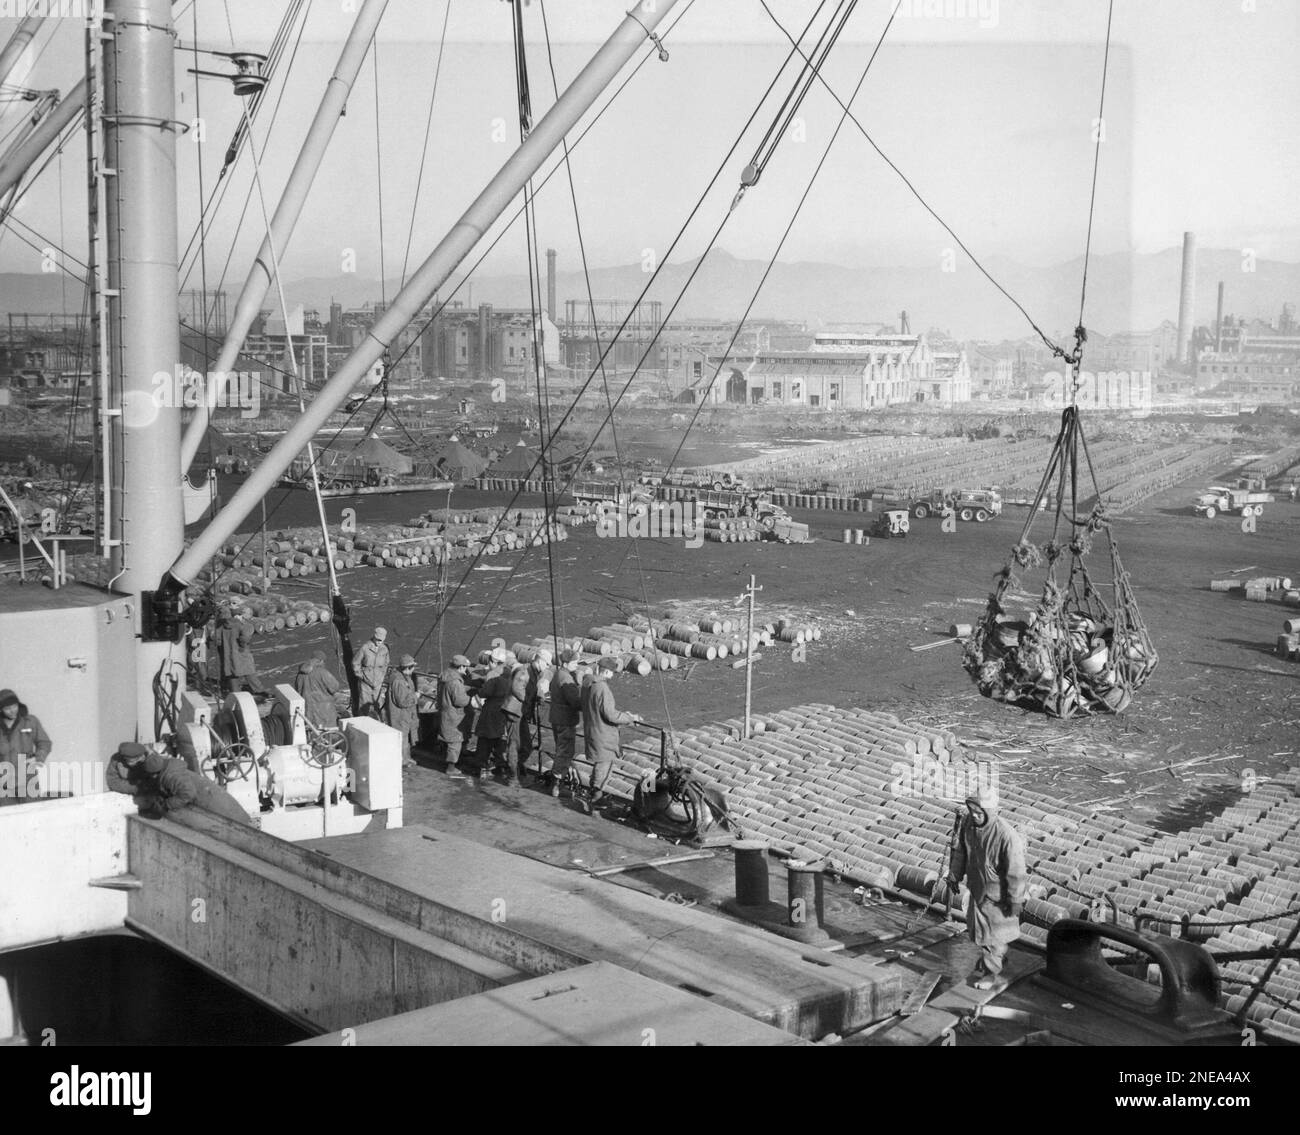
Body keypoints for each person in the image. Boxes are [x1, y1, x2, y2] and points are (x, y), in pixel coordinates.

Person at [946, 786, 1026, 992]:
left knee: (993, 936)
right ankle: (996, 959)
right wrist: (954, 875)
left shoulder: (1006, 836)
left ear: (989, 812)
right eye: (972, 810)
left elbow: (1016, 872)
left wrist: (1016, 899)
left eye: (979, 812)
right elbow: (961, 851)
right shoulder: (968, 824)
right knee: (981, 931)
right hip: (978, 888)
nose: (974, 815)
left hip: (998, 895)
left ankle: (991, 973)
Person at [119, 747, 253, 825]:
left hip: (218, 805)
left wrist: (167, 804)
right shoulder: (169, 766)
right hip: (214, 796)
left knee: (240, 825)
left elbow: (188, 794)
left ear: (156, 773)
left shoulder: (170, 777)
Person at [580, 657, 642, 813]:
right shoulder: (602, 688)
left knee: (599, 763)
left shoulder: (588, 684)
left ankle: (595, 794)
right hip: (603, 733)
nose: (613, 675)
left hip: (592, 729)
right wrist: (629, 718)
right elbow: (610, 715)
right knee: (605, 763)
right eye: (612, 672)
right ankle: (596, 796)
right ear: (606, 671)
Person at [0, 688, 51, 805]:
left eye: (14, 706)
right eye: (7, 708)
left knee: (33, 814)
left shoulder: (30, 721)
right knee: (8, 818)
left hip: (28, 779)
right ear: (1, 710)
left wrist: (38, 758)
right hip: (4, 782)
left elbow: (44, 742)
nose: (12, 711)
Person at [547, 650, 583, 799]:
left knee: (561, 749)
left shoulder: (558, 674)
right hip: (566, 720)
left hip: (556, 717)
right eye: (574, 662)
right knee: (566, 751)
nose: (577, 665)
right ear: (566, 663)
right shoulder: (566, 678)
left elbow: (550, 689)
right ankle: (557, 784)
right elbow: (575, 702)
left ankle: (557, 781)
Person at [517, 651, 552, 779]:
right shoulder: (525, 671)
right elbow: (517, 690)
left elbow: (534, 689)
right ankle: (513, 770)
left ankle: (516, 767)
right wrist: (527, 699)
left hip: (522, 713)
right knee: (525, 745)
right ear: (539, 660)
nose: (547, 667)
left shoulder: (534, 673)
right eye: (547, 664)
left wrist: (539, 696)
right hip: (517, 713)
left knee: (522, 745)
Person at [436, 654, 472, 780]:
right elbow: (460, 701)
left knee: (449, 739)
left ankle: (450, 761)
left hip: (445, 712)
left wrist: (465, 688)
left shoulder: (445, 676)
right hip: (454, 715)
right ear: (460, 667)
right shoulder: (455, 682)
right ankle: (451, 768)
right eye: (465, 667)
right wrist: (471, 698)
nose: (466, 670)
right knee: (455, 742)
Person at [215, 607, 264, 698]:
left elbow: (217, 640)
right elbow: (245, 637)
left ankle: (236, 694)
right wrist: (242, 646)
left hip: (228, 655)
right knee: (249, 671)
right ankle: (259, 690)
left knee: (231, 673)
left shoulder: (221, 625)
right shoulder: (240, 624)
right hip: (241, 652)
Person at [384, 654, 420, 763]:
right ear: (408, 668)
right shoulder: (399, 681)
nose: (414, 670)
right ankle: (402, 762)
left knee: (405, 737)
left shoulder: (403, 677)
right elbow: (403, 701)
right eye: (413, 667)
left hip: (405, 714)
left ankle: (406, 758)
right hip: (400, 715)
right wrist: (416, 696)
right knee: (402, 737)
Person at [294, 652, 341, 729]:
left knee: (311, 732)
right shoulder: (322, 672)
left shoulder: (300, 674)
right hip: (323, 711)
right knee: (328, 734)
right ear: (320, 661)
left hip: (307, 710)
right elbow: (335, 686)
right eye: (324, 661)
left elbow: (297, 689)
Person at [354, 627, 390, 717]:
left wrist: (382, 675)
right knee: (363, 707)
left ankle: (380, 724)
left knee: (379, 705)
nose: (379, 641)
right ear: (374, 636)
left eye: (381, 640)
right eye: (378, 639)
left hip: (378, 682)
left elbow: (386, 663)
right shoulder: (365, 648)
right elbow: (356, 662)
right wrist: (360, 675)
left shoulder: (384, 649)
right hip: (365, 682)